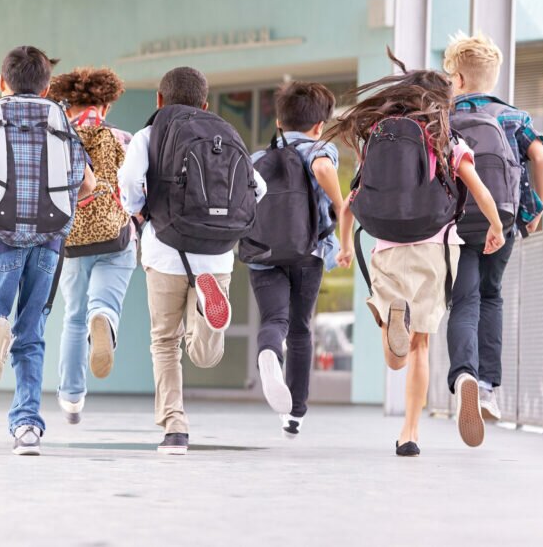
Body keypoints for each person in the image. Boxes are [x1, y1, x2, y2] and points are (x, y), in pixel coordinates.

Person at [330, 55, 505, 456]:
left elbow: (348, 205)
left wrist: (343, 247)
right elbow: (478, 189)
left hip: (386, 246)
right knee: (421, 345)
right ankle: (411, 432)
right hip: (435, 245)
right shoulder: (446, 138)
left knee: (397, 355)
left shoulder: (377, 135)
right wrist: (494, 226)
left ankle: (395, 321)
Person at [117, 67, 267, 455]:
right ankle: (208, 316)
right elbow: (258, 187)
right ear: (205, 103)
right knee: (205, 354)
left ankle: (175, 427)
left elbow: (130, 181)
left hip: (165, 250)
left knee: (165, 342)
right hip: (216, 256)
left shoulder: (149, 135)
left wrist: (138, 211)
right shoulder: (224, 133)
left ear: (159, 101)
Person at [0, 46, 96, 455]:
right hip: (49, 240)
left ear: (3, 83)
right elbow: (86, 183)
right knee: (32, 332)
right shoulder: (61, 120)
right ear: (48, 85)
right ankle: (27, 429)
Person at [442, 32, 543, 432]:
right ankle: (486, 386)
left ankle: (463, 375)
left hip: (454, 222)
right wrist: (534, 210)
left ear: (459, 79)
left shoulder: (444, 117)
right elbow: (542, 159)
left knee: (463, 300)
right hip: (501, 222)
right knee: (491, 297)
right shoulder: (514, 117)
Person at [246, 82, 344, 439]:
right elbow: (321, 170)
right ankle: (295, 413)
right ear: (319, 124)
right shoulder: (321, 148)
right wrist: (341, 204)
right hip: (307, 252)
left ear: (278, 122)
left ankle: (270, 351)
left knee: (275, 320)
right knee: (301, 328)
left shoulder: (256, 159)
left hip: (264, 252)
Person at [46, 67, 136, 425]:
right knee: (103, 304)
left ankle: (71, 397)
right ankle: (105, 320)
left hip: (71, 241)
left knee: (73, 317)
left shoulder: (58, 139)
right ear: (107, 104)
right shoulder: (122, 138)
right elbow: (136, 190)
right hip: (115, 237)